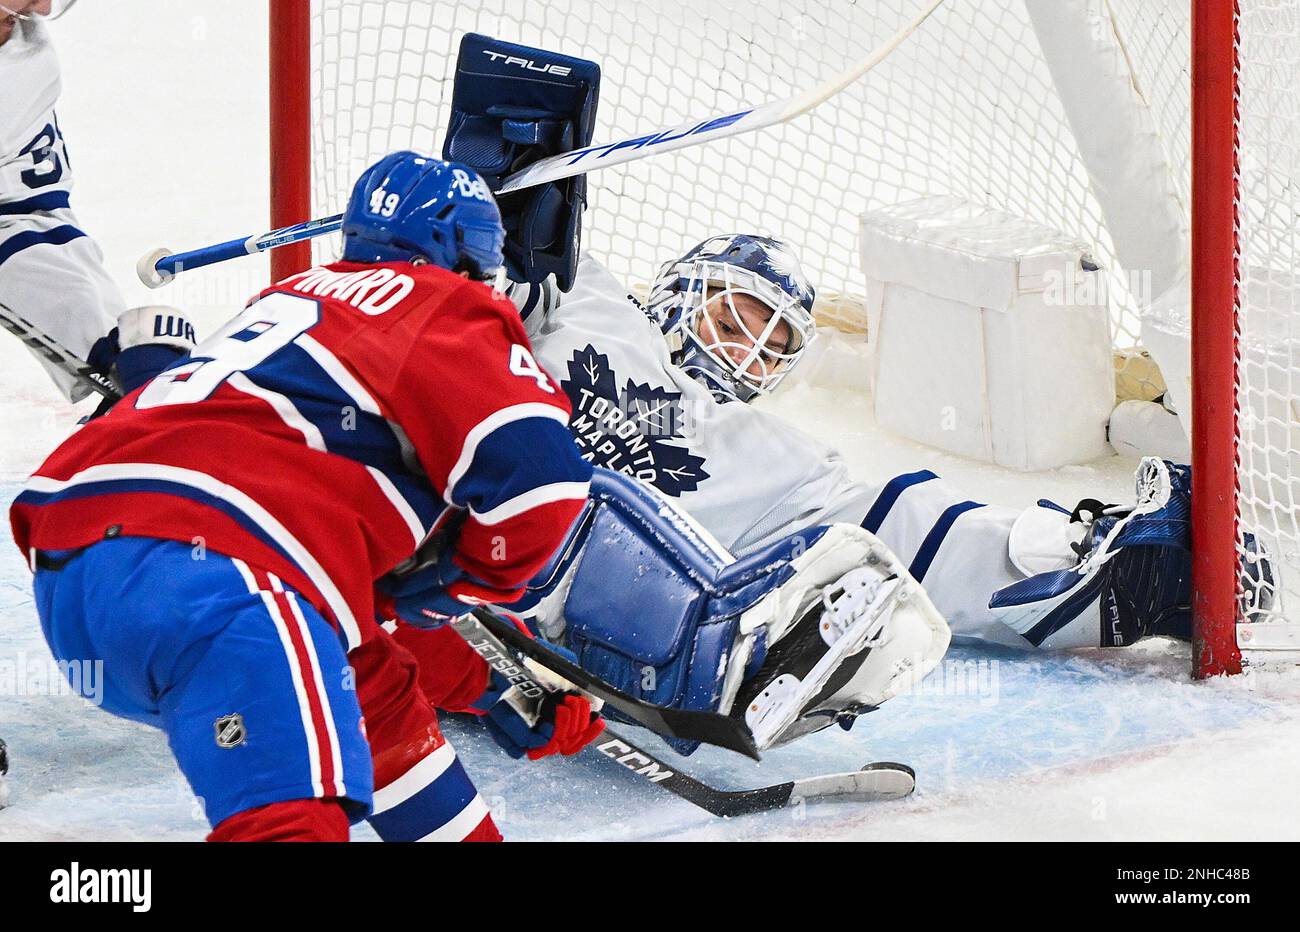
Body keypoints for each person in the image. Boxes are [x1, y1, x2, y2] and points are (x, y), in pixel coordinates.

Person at [390, 232, 1236, 753]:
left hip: (542, 630)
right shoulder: (591, 299)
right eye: (733, 320)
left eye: (769, 349)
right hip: (420, 559)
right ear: (679, 293)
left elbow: (904, 534)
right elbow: (470, 282)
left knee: (849, 577)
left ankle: (1125, 574)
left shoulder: (764, 455)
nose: (741, 355)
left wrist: (1091, 572)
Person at [9, 151, 603, 841]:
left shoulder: (284, 312)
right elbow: (545, 482)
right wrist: (467, 581)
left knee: (365, 693)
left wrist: (494, 681)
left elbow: (357, 603)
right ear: (471, 265)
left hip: (78, 572)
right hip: (220, 575)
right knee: (290, 826)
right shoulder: (440, 304)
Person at [1, 0, 191, 405]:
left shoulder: (26, 62)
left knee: (53, 266)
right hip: (26, 214)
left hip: (26, 209)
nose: (45, 7)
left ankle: (128, 369)